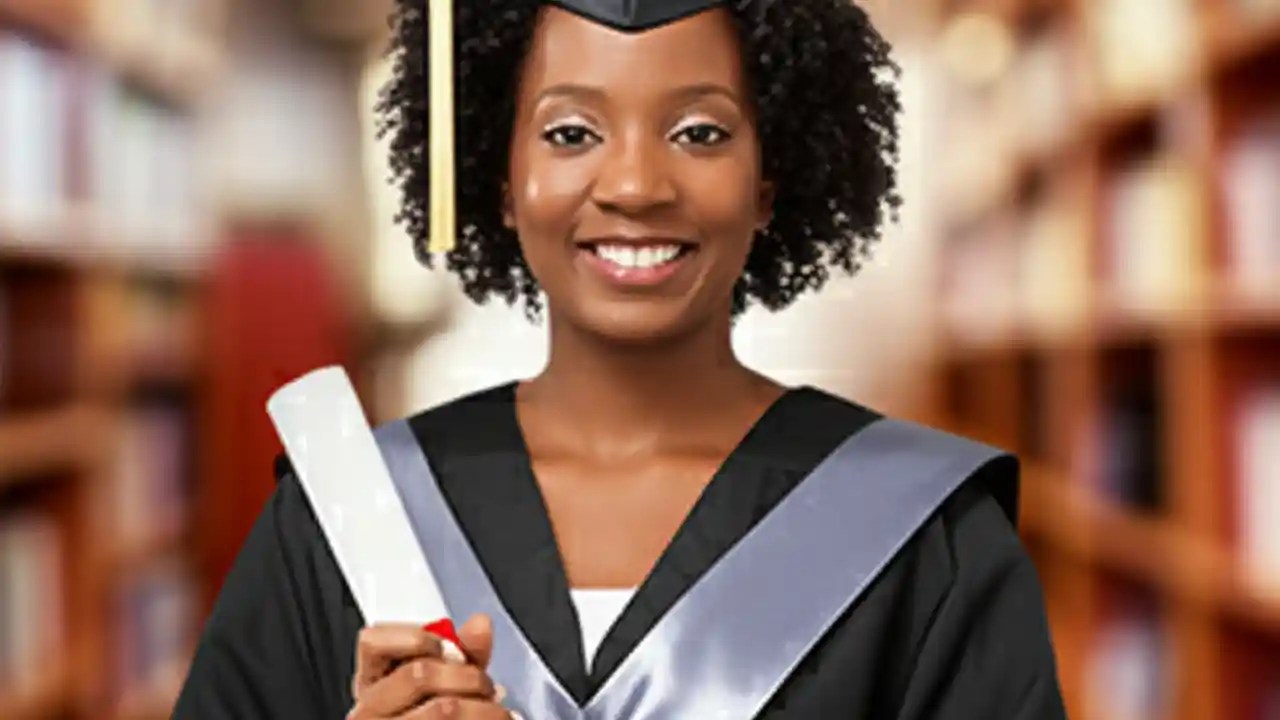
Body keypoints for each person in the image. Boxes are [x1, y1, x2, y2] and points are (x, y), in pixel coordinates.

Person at [173, 0, 1069, 718]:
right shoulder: (343, 524)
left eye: (701, 132)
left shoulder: (928, 538)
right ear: (499, 179)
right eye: (570, 133)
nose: (636, 185)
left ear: (769, 182)